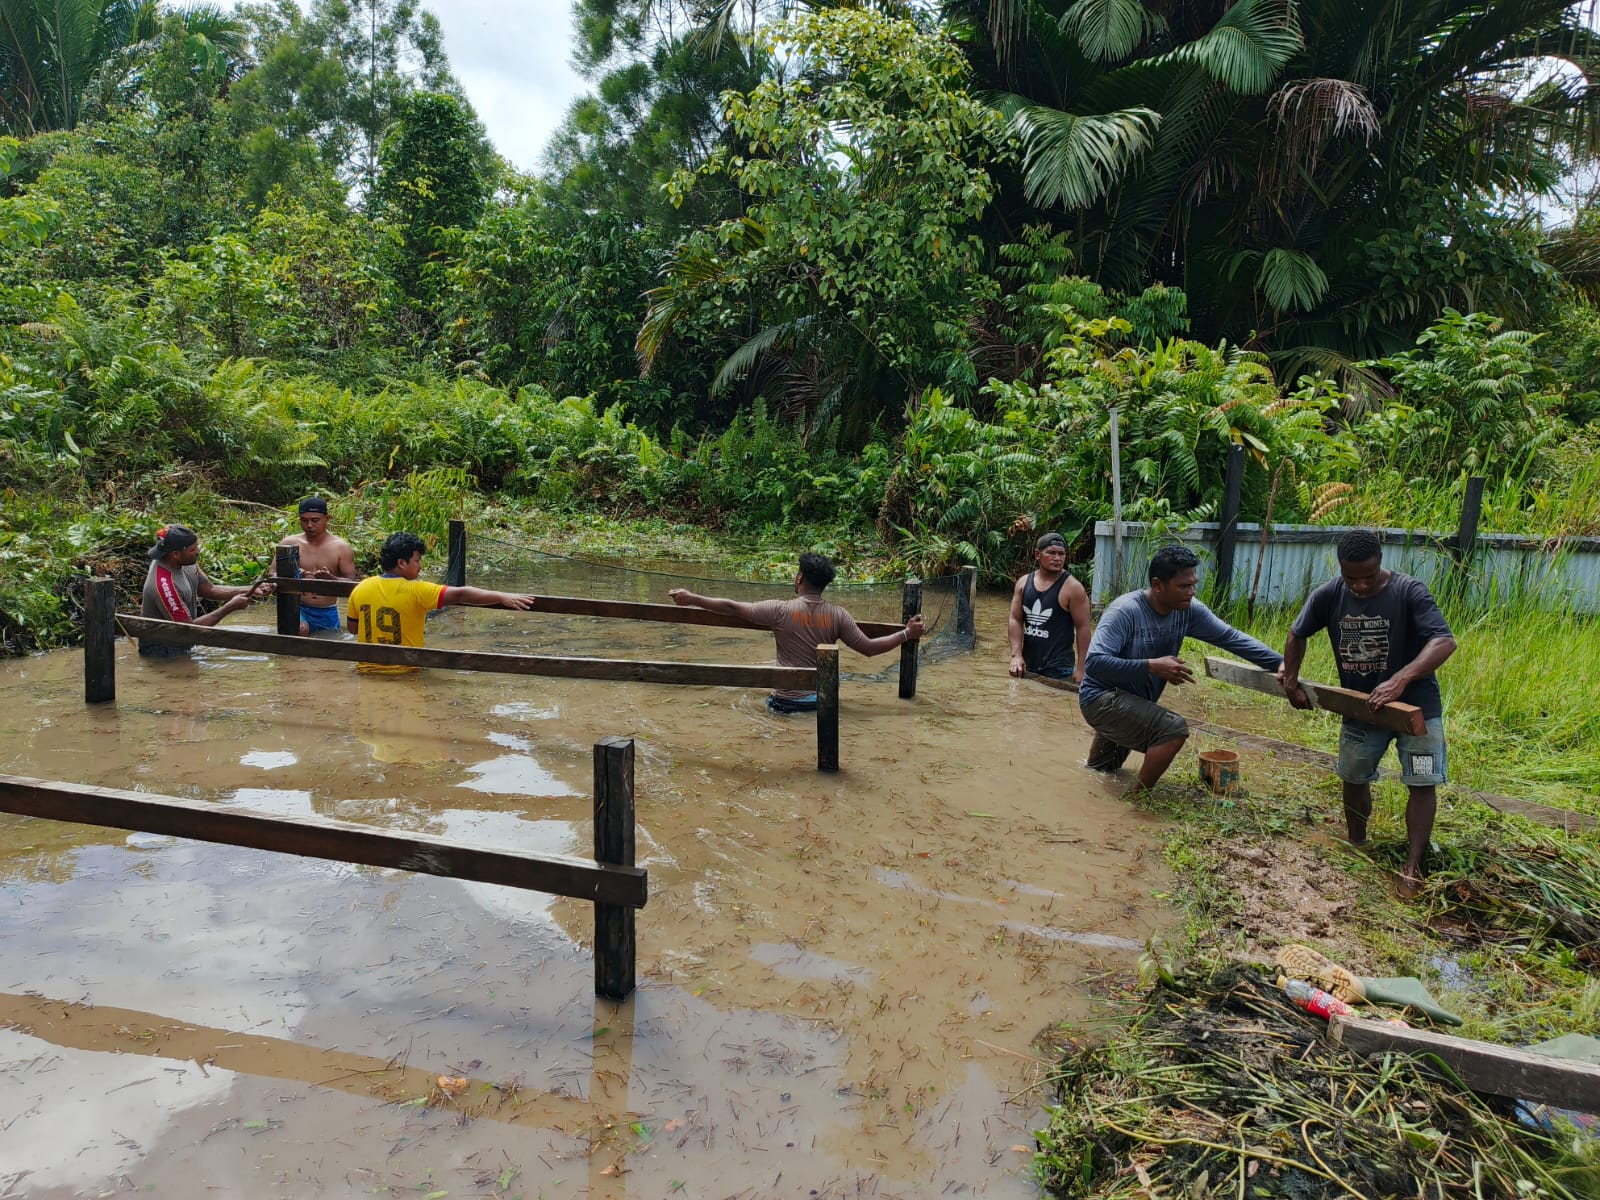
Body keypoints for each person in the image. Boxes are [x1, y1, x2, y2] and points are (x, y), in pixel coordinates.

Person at [1278, 529, 1456, 897]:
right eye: (1351, 578)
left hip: (1415, 709)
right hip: (1362, 709)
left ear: (1380, 563)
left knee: (1422, 782)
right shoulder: (1328, 595)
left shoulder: (1409, 591)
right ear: (1341, 569)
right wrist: (1291, 678)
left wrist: (1400, 680)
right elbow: (1297, 634)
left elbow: (1444, 641)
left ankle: (1413, 864)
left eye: (1367, 577)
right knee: (1354, 775)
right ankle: (1357, 842)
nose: (1358, 586)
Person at [1079, 544, 1281, 791]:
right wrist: (1151, 666)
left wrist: (1282, 664)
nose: (1192, 592)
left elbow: (1232, 638)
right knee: (1172, 729)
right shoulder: (1125, 612)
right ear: (1157, 585)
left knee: (1102, 771)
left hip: (1135, 702)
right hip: (1100, 698)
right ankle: (1137, 799)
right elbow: (1094, 663)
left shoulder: (1188, 611)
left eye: (1194, 584)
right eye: (1184, 586)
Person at [667, 552, 926, 714]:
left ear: (800, 578)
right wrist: (906, 634)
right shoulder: (838, 614)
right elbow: (869, 649)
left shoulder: (779, 610)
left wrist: (692, 598)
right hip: (822, 704)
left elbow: (732, 607)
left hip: (784, 703)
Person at [346, 532, 538, 675]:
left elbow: (353, 629)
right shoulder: (417, 590)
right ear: (401, 563)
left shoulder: (361, 588)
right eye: (417, 560)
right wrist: (501, 596)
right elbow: (461, 594)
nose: (420, 566)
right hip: (405, 672)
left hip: (366, 672)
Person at [139, 523, 272, 657]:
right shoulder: (164, 584)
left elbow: (209, 589)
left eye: (197, 546)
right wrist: (229, 607)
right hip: (162, 651)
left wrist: (252, 588)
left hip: (182, 642)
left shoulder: (186, 562)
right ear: (175, 554)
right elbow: (189, 630)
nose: (198, 552)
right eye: (192, 549)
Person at [1009, 531, 1093, 686]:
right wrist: (1016, 655)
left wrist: (1082, 668)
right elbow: (1015, 619)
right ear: (1037, 555)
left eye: (1061, 554)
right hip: (1027, 665)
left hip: (1059, 669)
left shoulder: (1073, 588)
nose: (1057, 558)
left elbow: (1083, 628)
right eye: (1051, 553)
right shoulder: (1023, 583)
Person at [279, 496, 357, 635]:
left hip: (327, 610)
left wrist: (331, 578)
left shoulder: (341, 547)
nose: (309, 525)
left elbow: (351, 584)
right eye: (304, 520)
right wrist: (297, 573)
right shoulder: (289, 544)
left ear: (327, 519)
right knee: (300, 630)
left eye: (315, 520)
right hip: (298, 608)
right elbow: (273, 574)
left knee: (328, 650)